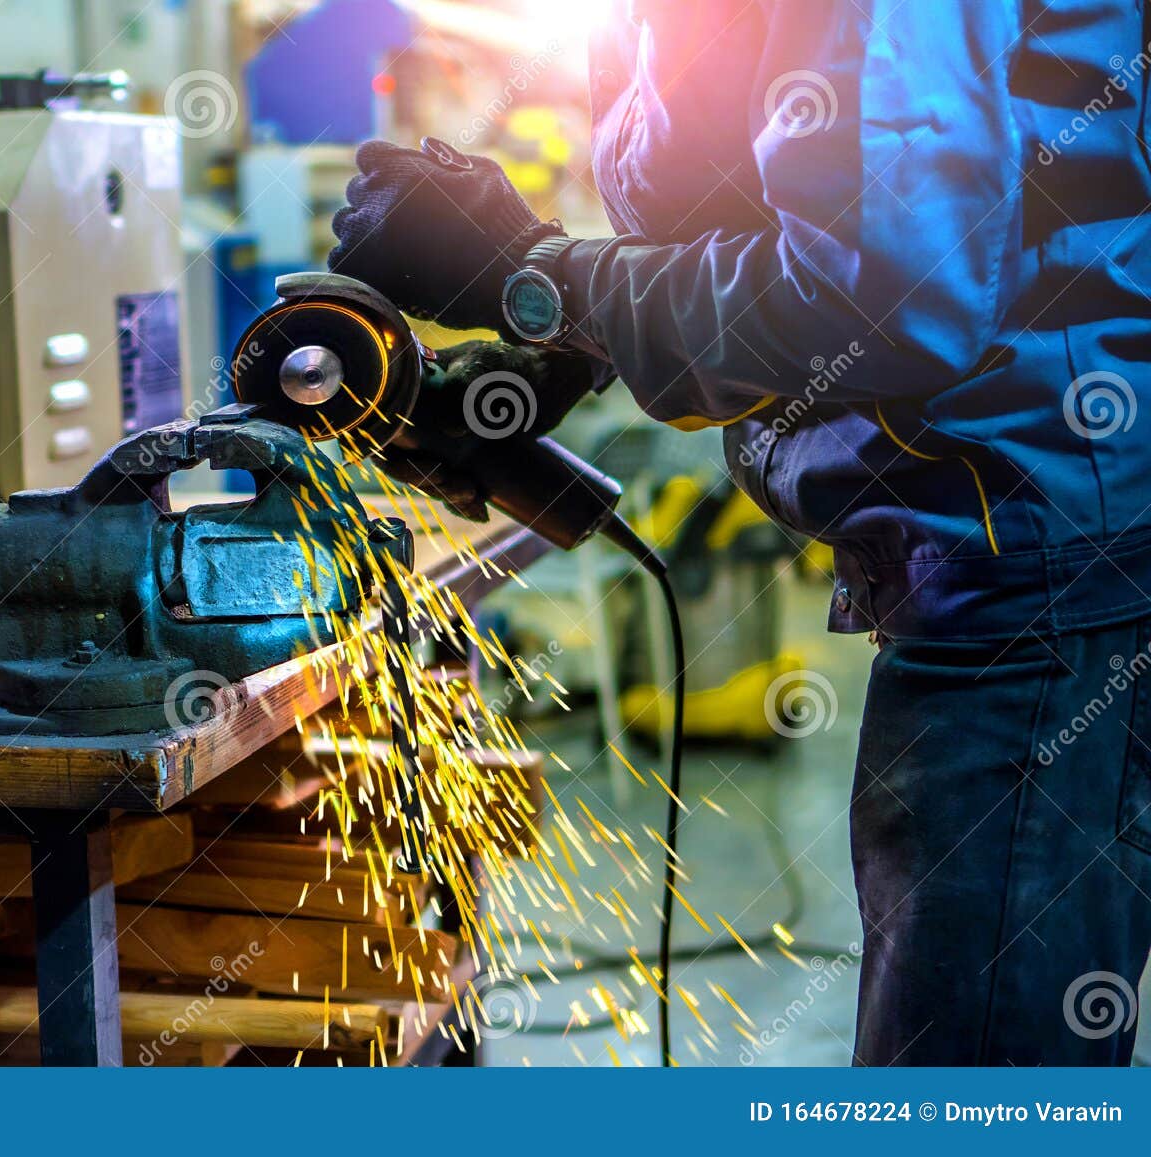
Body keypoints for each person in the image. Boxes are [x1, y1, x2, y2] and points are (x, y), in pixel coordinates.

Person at [328, 0, 1151, 1065]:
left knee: (970, 1075)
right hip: (980, 565)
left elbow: (887, 292)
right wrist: (564, 354)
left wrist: (535, 276)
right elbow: (756, 216)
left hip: (1038, 576)